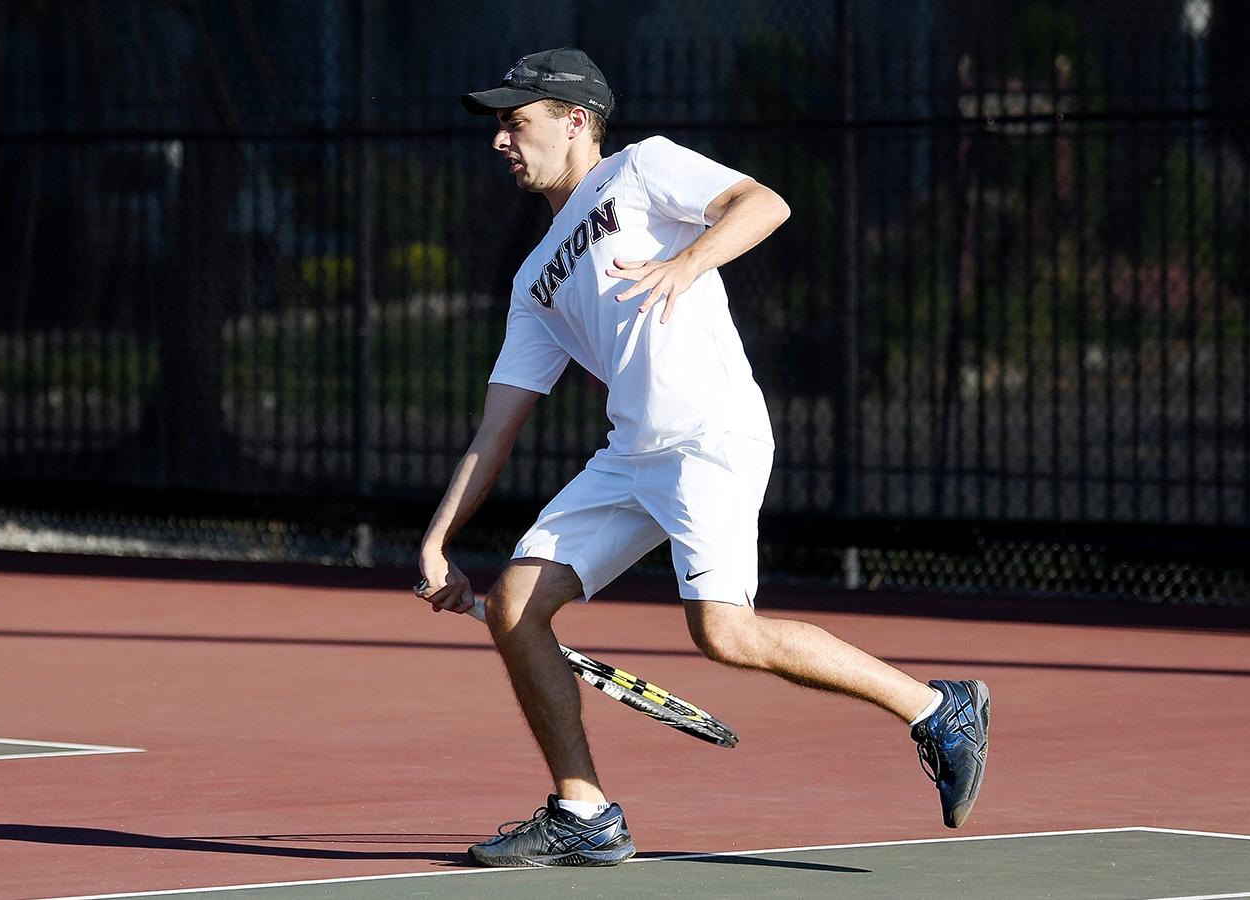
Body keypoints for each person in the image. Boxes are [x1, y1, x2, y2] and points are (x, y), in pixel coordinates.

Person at [414, 48, 990, 869]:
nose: (500, 141)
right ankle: (584, 814)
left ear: (575, 120)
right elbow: (494, 430)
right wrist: (438, 541)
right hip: (630, 455)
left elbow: (765, 204)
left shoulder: (641, 169)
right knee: (513, 606)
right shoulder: (535, 280)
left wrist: (685, 263)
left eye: (515, 122)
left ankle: (937, 708)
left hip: (709, 437)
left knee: (724, 633)